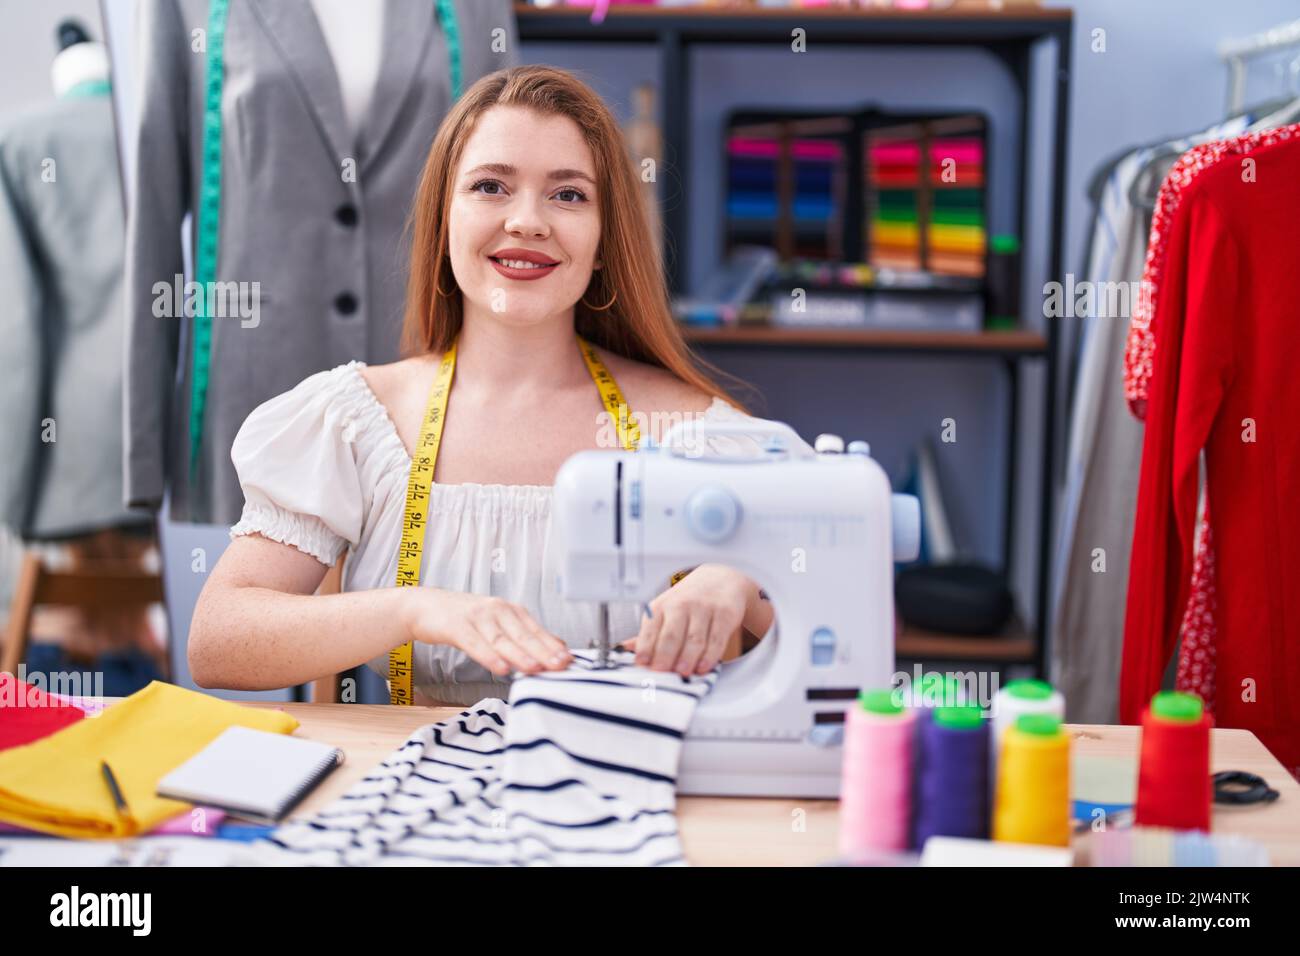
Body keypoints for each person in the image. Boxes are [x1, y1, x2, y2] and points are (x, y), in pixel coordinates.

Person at [189, 66, 780, 705]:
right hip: (416, 797)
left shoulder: (695, 434)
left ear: (606, 238)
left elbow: (856, 640)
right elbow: (217, 640)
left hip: (622, 796)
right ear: (445, 222)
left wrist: (741, 582)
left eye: (569, 195)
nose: (527, 221)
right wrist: (412, 610)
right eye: (491, 186)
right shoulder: (359, 424)